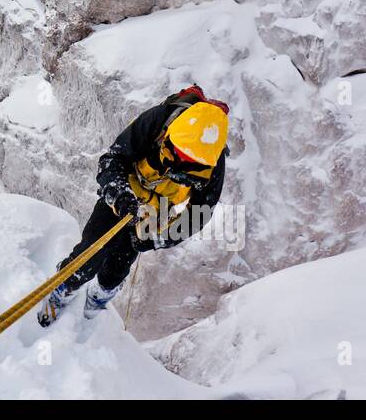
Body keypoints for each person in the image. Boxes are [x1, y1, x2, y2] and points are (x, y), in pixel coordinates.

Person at [37, 85, 230, 326]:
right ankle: (61, 291)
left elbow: (200, 213)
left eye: (188, 165)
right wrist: (120, 196)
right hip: (124, 195)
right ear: (171, 134)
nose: (177, 164)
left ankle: (96, 303)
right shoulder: (159, 121)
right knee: (88, 257)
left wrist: (158, 239)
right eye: (175, 153)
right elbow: (113, 160)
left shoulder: (213, 161)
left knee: (117, 269)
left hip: (154, 213)